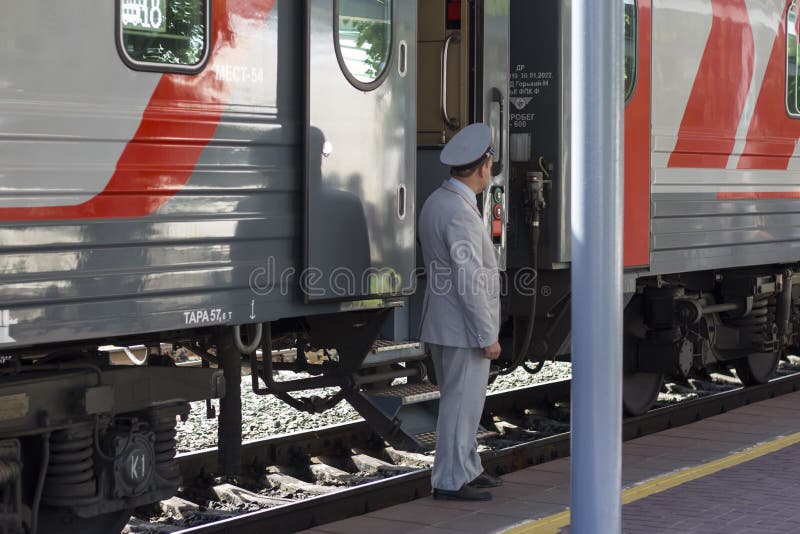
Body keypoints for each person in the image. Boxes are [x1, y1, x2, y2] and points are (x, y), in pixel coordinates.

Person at [418, 123, 503, 501]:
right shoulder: (460, 214)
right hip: (462, 327)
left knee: (465, 402)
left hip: (446, 321)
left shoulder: (440, 201)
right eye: (489, 164)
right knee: (460, 403)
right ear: (483, 166)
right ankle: (450, 481)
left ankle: (468, 467)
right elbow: (469, 281)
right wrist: (487, 335)